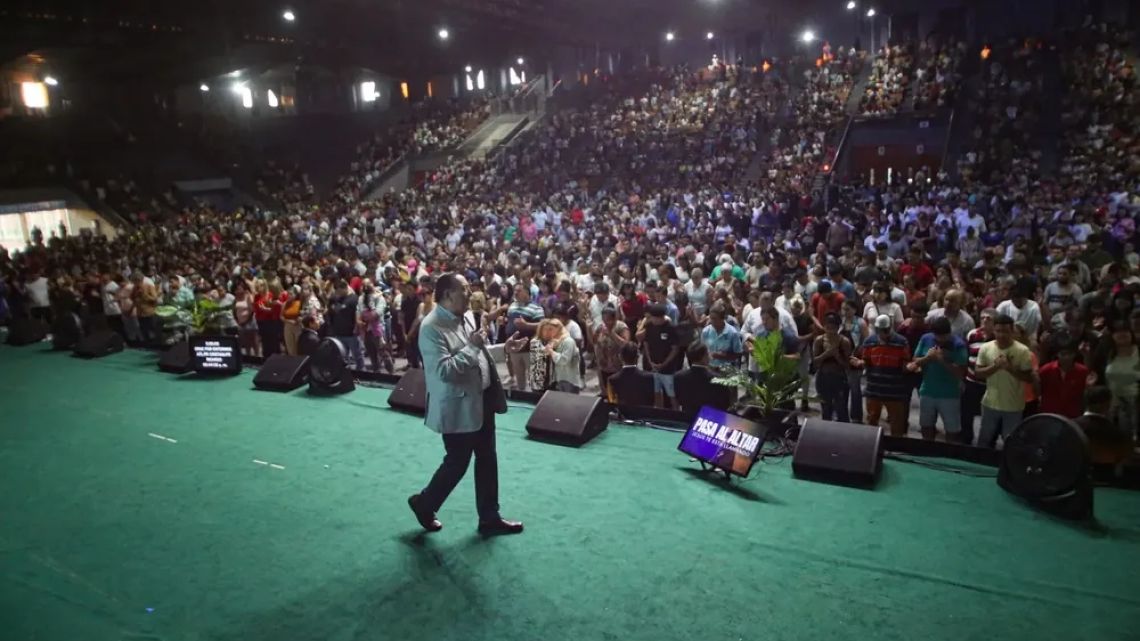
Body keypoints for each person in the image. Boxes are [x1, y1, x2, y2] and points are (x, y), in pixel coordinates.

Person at [408, 273, 520, 536]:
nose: (471, 294)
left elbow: (478, 353)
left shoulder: (467, 316)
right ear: (447, 294)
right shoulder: (430, 327)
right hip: (458, 408)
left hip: (482, 403)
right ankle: (424, 503)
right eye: (465, 290)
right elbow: (445, 371)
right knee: (457, 463)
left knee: (487, 460)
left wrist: (504, 348)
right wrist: (472, 347)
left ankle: (489, 518)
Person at [974, 314, 1037, 447]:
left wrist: (1009, 368)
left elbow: (1028, 378)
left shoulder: (1023, 351)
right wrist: (995, 367)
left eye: (1005, 331)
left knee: (1010, 441)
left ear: (1012, 331)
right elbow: (978, 373)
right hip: (990, 403)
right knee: (985, 437)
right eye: (998, 331)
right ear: (994, 331)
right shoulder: (986, 348)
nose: (1001, 335)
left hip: (1013, 406)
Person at [909, 317, 968, 441]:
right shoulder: (926, 339)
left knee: (952, 429)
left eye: (943, 336)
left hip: (949, 394)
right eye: (937, 336)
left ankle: (949, 455)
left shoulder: (959, 344)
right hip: (927, 391)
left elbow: (960, 372)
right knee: (926, 425)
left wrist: (942, 360)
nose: (940, 339)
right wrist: (928, 358)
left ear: (949, 332)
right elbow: (915, 361)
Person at [854, 315, 911, 436]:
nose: (884, 334)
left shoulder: (901, 342)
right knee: (872, 420)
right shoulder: (869, 342)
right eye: (881, 331)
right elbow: (866, 362)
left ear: (890, 327)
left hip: (894, 390)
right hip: (874, 389)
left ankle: (896, 448)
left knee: (896, 424)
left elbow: (905, 364)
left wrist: (910, 367)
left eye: (886, 330)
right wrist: (860, 363)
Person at [637, 304, 683, 408]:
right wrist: (650, 361)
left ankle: (676, 415)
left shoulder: (671, 328)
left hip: (668, 369)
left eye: (655, 318)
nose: (653, 320)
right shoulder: (649, 326)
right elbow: (646, 344)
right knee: (656, 393)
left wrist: (664, 363)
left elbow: (675, 349)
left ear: (661, 317)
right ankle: (659, 413)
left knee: (672, 394)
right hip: (653, 367)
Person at [674, 342, 734, 418]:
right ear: (703, 357)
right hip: (710, 420)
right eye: (708, 353)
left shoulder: (678, 377)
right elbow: (725, 404)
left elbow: (678, 399)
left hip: (687, 419)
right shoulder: (718, 379)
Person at [812, 312, 853, 422]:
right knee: (826, 410)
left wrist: (837, 356)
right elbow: (815, 362)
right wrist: (826, 354)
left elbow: (847, 365)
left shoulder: (844, 341)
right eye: (828, 328)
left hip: (839, 378)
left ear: (838, 328)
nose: (830, 331)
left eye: (833, 328)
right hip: (823, 378)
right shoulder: (819, 341)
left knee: (841, 410)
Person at [1037, 340, 1089, 419]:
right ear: (1058, 354)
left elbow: (1085, 394)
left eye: (1069, 354)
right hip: (1050, 414)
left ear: (1074, 354)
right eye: (1063, 354)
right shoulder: (1046, 370)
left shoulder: (1082, 371)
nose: (1066, 357)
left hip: (1073, 415)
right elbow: (1038, 391)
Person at [608, 342, 655, 408]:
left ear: (620, 357)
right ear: (638, 357)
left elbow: (612, 403)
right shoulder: (651, 377)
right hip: (646, 416)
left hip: (624, 416)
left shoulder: (612, 380)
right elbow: (657, 402)